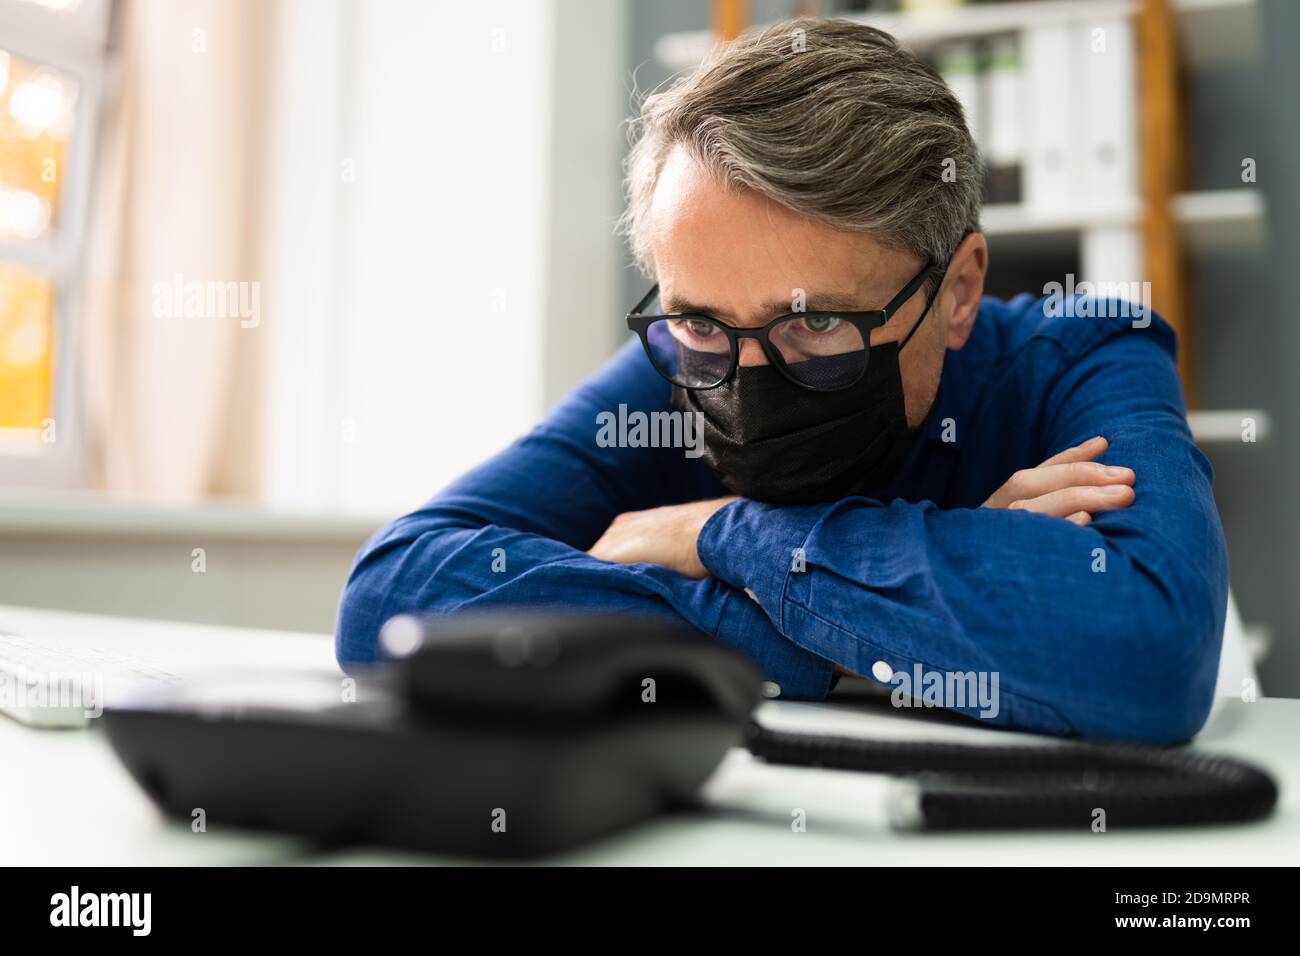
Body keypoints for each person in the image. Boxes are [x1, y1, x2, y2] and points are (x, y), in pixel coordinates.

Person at [336, 18, 1227, 742]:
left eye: (817, 323)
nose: (743, 376)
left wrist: (719, 534)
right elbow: (390, 598)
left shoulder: (1086, 352)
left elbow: (1150, 657)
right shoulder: (678, 363)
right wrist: (882, 622)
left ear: (958, 291)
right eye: (700, 320)